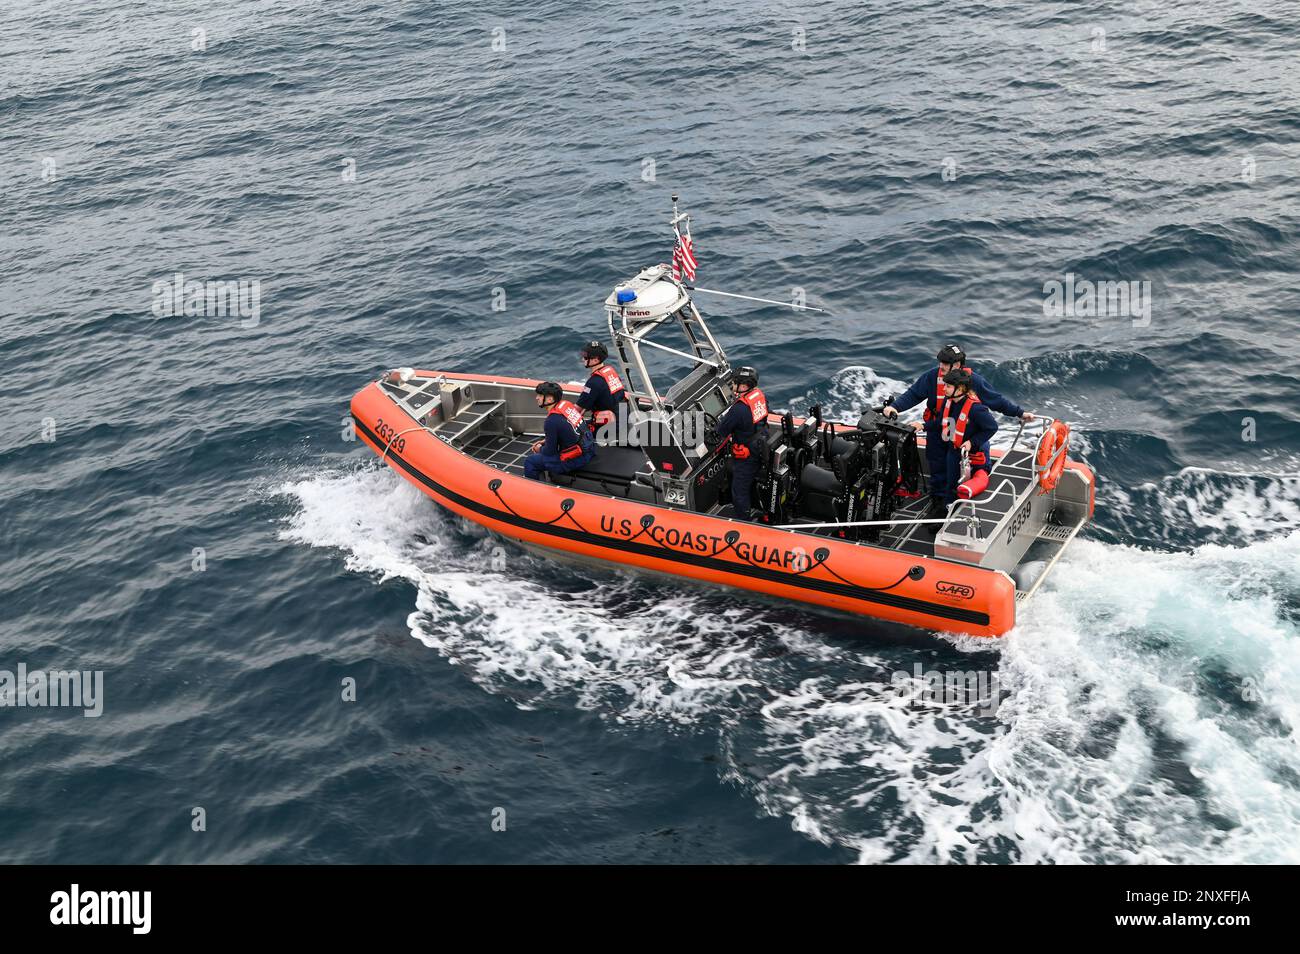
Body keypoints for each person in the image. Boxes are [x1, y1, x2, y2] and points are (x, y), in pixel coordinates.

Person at [883, 343, 1032, 514]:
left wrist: (1019, 413)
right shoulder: (933, 377)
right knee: (937, 463)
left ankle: (955, 500)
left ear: (958, 365)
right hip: (939, 426)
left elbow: (995, 400)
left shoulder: (972, 382)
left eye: (946, 363)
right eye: (941, 362)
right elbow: (914, 393)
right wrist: (896, 407)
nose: (941, 367)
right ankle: (939, 501)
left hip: (963, 432)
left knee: (961, 467)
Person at [929, 367, 998, 529]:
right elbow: (940, 422)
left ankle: (951, 518)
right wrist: (922, 426)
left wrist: (972, 442)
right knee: (950, 482)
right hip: (954, 451)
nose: (944, 388)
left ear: (960, 389)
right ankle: (947, 510)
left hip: (971, 456)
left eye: (948, 386)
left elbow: (992, 427)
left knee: (957, 486)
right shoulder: (950, 402)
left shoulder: (976, 409)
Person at [714, 366, 769, 521]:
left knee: (739, 491)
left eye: (735, 382)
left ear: (743, 386)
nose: (733, 385)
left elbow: (721, 431)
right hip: (761, 445)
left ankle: (743, 522)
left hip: (748, 457)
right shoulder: (759, 396)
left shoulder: (738, 409)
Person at [523, 381, 596, 481]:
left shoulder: (551, 421)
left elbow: (550, 453)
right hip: (590, 449)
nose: (537, 398)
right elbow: (569, 431)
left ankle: (536, 489)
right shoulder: (567, 405)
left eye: (540, 395)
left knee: (530, 461)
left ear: (549, 399)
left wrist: (539, 448)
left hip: (578, 459)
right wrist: (546, 441)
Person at [575, 340, 628, 441]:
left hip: (610, 426)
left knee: (572, 432)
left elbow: (578, 409)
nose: (583, 359)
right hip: (622, 418)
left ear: (595, 360)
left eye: (586, 357)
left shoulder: (593, 382)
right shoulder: (609, 371)